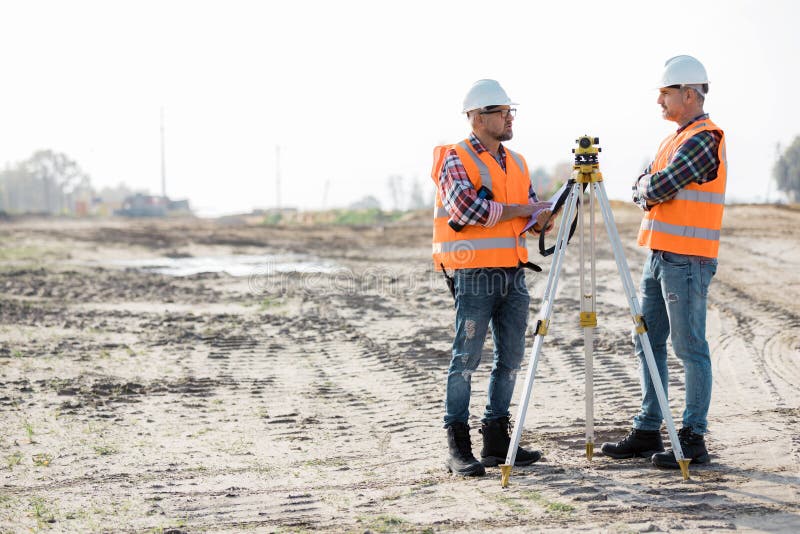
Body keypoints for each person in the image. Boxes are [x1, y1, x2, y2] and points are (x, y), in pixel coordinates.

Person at [600, 55, 727, 469]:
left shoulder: (703, 139)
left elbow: (658, 184)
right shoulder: (675, 137)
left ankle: (692, 438)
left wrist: (645, 187)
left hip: (687, 259)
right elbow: (646, 188)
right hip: (660, 256)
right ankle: (648, 427)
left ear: (689, 94)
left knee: (689, 346)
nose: (659, 100)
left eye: (665, 93)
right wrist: (645, 188)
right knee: (646, 340)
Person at [431, 79, 553, 477]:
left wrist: (543, 216)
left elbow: (527, 216)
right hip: (473, 276)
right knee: (465, 360)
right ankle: (458, 447)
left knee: (511, 359)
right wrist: (522, 209)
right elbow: (466, 210)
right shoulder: (455, 157)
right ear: (479, 118)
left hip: (513, 274)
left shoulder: (516, 161)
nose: (509, 118)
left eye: (509, 112)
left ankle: (497, 441)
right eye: (503, 113)